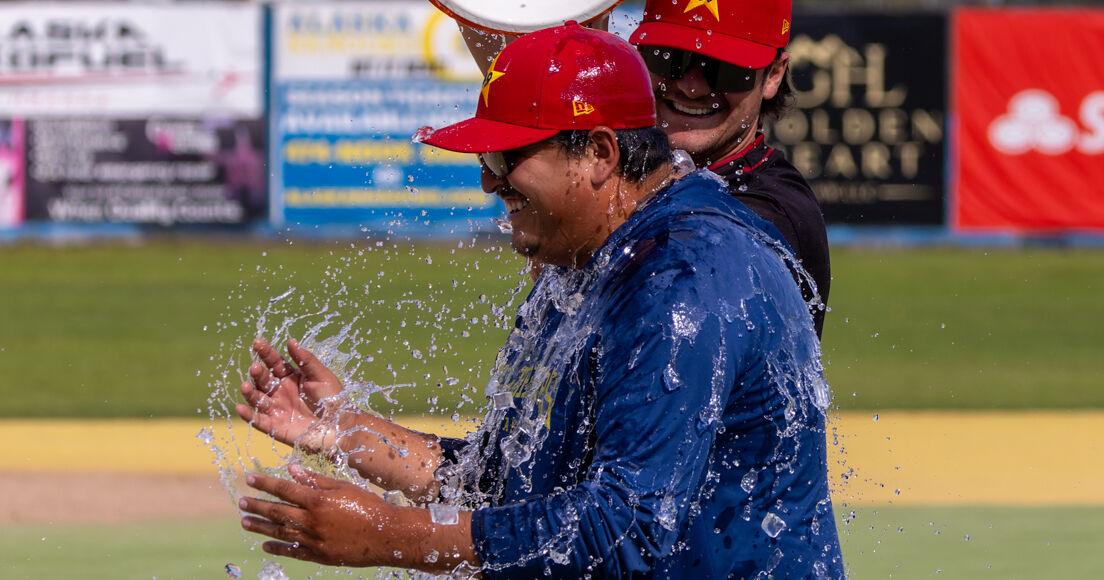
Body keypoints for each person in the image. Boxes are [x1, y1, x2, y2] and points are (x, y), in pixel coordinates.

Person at [236, 23, 843, 577]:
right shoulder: (606, 251)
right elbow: (528, 483)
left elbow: (624, 529)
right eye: (485, 157)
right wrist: (347, 431)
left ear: (601, 155)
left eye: (508, 156)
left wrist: (390, 533)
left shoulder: (682, 278)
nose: (488, 180)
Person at [459, 0, 832, 337]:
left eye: (723, 70)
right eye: (669, 58)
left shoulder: (768, 210)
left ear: (773, 75)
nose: (691, 86)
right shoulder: (633, 168)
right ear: (640, 54)